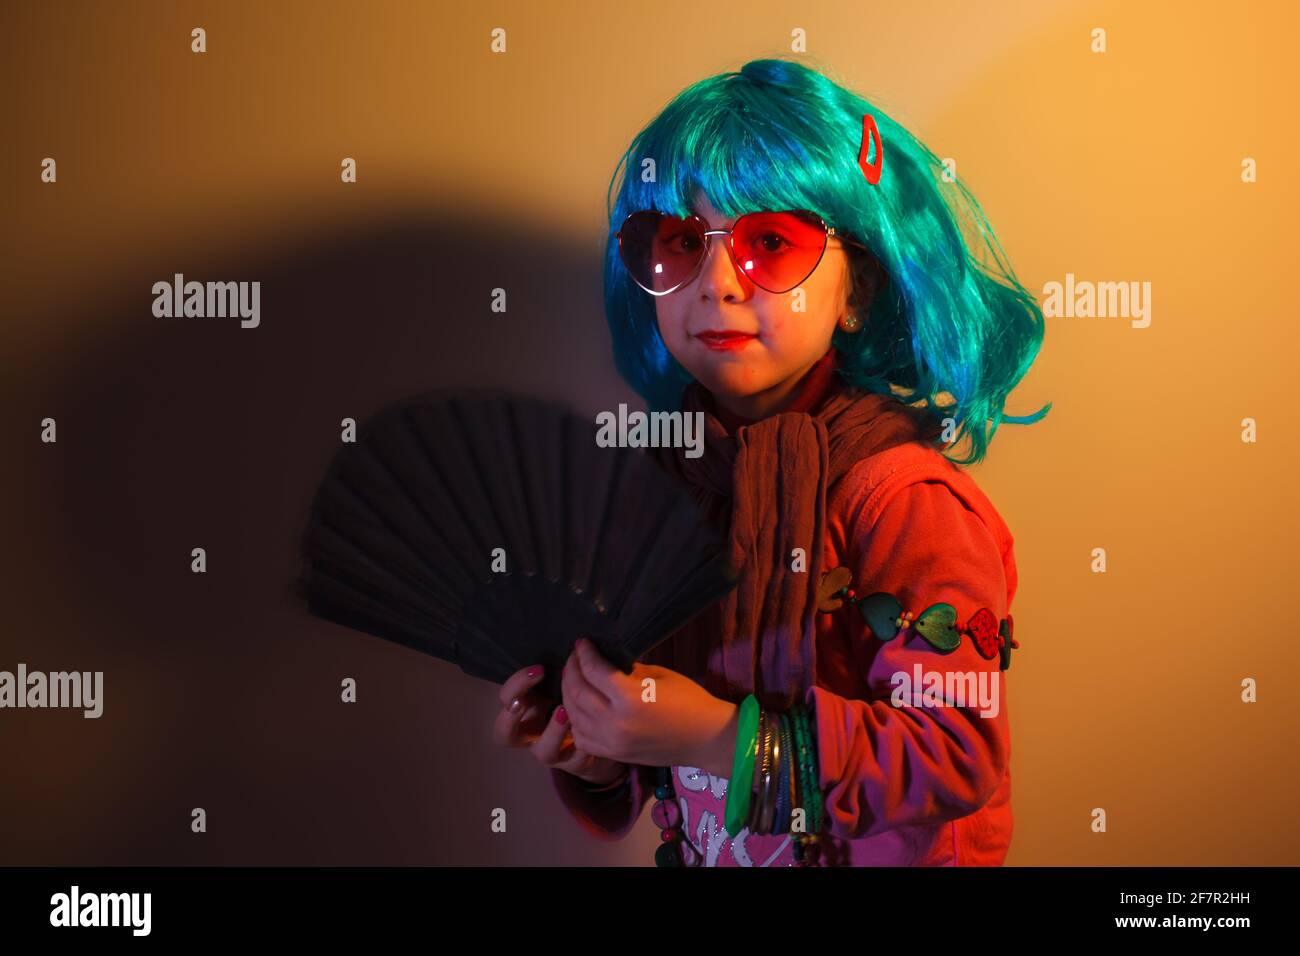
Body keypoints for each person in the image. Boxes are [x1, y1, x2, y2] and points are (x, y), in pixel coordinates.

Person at [492, 57, 1048, 866]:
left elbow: (954, 754)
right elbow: (665, 772)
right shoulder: (668, 486)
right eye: (680, 243)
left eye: (773, 244)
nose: (716, 283)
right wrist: (599, 747)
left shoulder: (905, 501)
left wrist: (719, 735)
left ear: (856, 289)